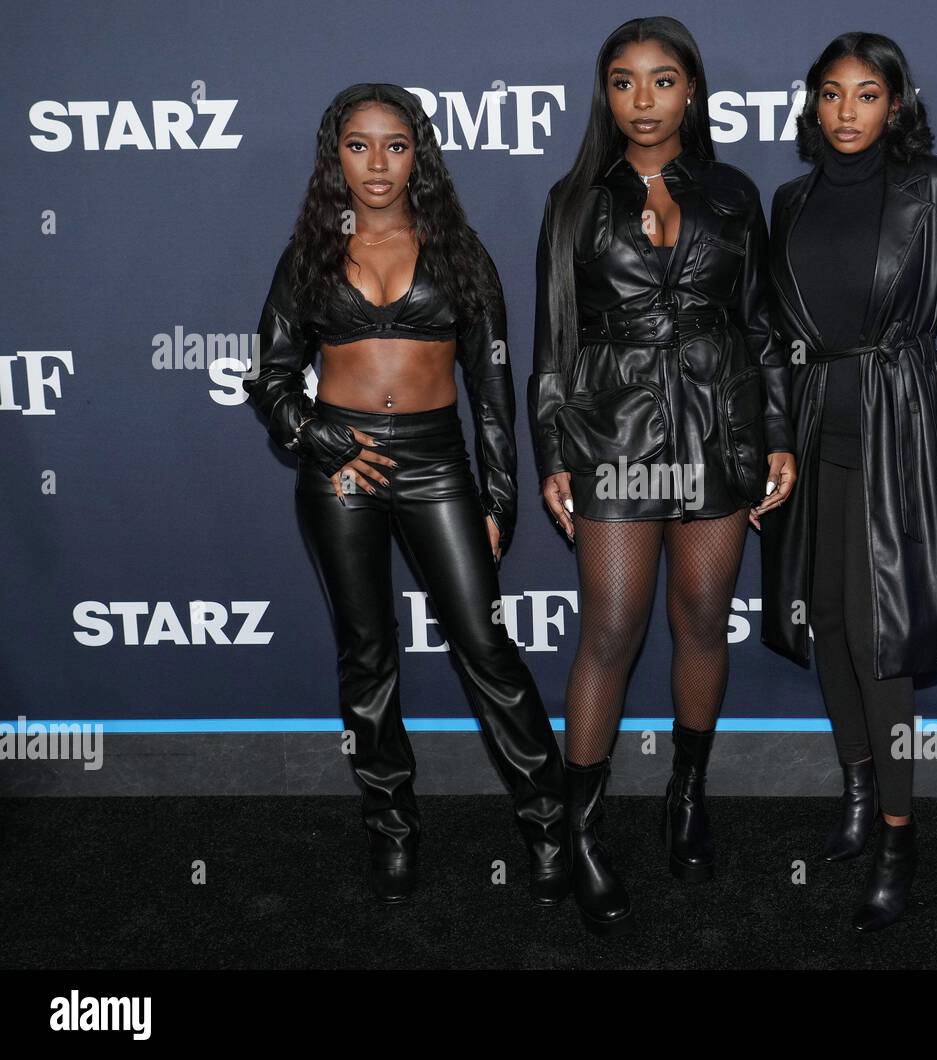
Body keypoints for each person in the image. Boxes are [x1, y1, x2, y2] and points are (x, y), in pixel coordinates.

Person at [243, 83, 567, 907]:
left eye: (395, 144)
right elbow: (271, 375)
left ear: (419, 152)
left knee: (487, 650)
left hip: (436, 466)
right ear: (335, 156)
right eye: (359, 145)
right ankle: (391, 828)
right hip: (341, 467)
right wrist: (320, 440)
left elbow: (493, 386)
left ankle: (551, 828)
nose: (377, 163)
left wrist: (499, 498)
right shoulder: (311, 252)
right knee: (367, 658)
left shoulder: (459, 250)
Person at [761, 32, 937, 931]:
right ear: (812, 105)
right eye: (833, 94)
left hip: (897, 428)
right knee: (830, 621)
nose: (848, 112)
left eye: (867, 94)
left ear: (896, 105)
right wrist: (775, 434)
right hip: (814, 429)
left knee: (883, 638)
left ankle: (896, 833)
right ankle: (855, 789)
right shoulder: (789, 200)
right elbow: (773, 328)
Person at [528, 16, 796, 936]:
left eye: (662, 80)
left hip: (719, 430)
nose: (643, 100)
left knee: (701, 620)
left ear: (692, 91)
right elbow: (552, 343)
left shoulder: (733, 192)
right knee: (608, 627)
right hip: (613, 432)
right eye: (623, 81)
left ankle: (688, 793)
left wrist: (777, 434)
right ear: (604, 93)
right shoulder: (572, 200)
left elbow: (760, 325)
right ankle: (583, 832)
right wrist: (551, 451)